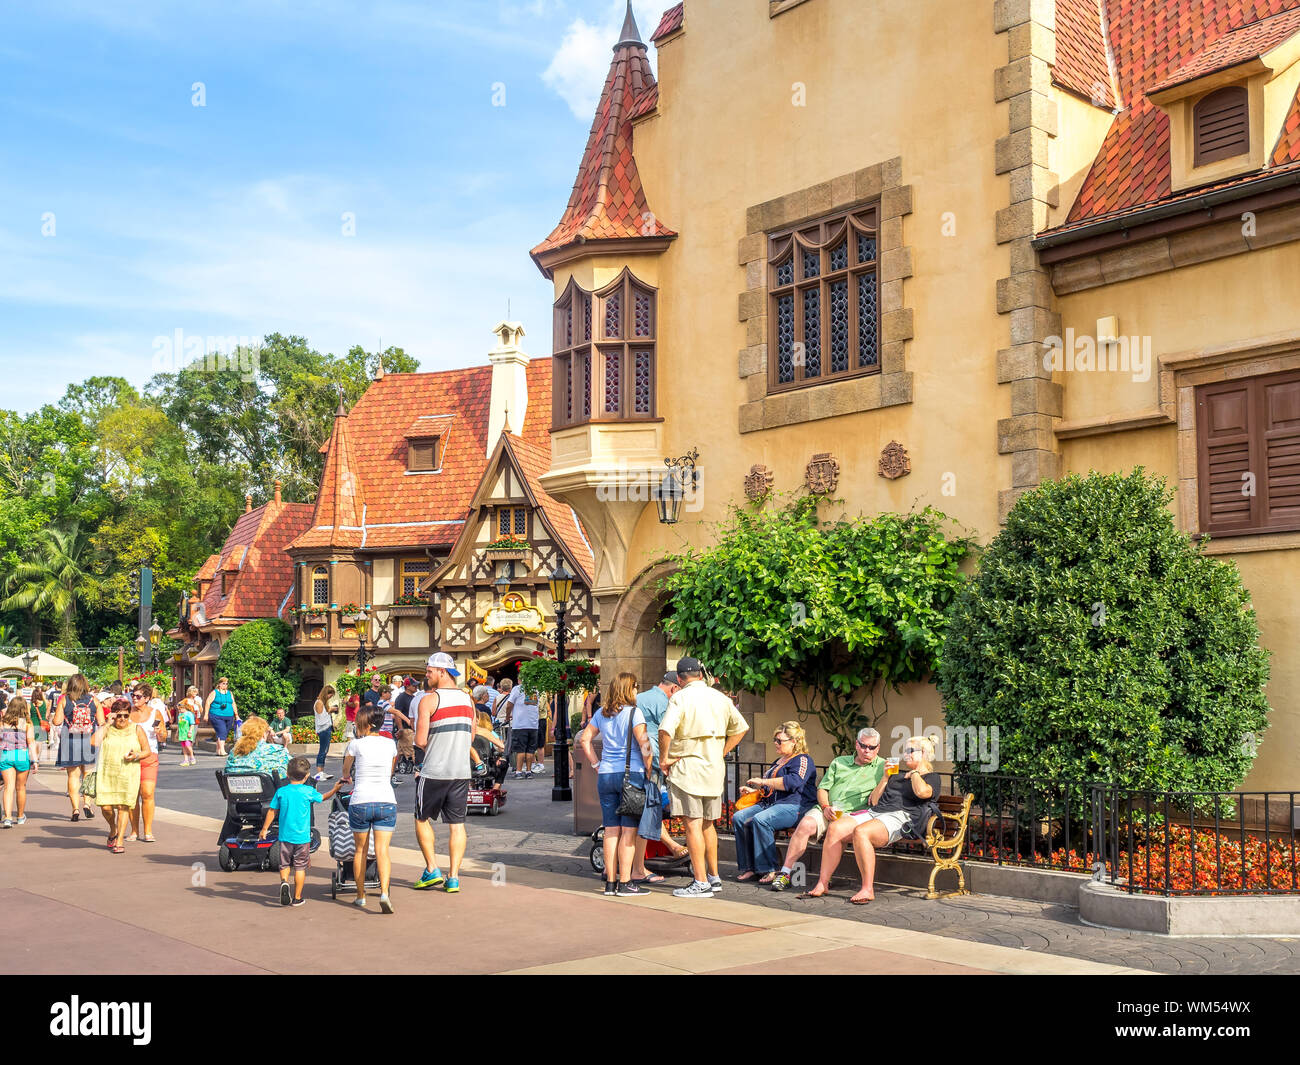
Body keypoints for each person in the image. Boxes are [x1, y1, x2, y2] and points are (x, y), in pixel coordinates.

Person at [802, 736, 939, 905]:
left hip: (901, 818)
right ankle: (822, 883)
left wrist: (916, 772)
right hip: (876, 812)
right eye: (905, 751)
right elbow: (874, 801)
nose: (905, 754)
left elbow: (922, 793)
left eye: (910, 751)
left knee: (861, 832)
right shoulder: (897, 776)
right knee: (835, 828)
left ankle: (867, 888)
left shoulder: (932, 777)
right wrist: (885, 778)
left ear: (924, 753)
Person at [658, 657, 748, 899]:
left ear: (679, 679)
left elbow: (664, 729)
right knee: (709, 824)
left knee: (693, 825)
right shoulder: (720, 697)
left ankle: (700, 882)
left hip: (688, 768)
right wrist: (723, 750)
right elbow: (741, 729)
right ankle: (714, 877)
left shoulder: (680, 697)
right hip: (713, 768)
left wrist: (664, 758)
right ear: (701, 674)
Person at [771, 727, 885, 891]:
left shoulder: (883, 767)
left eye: (872, 747)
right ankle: (785, 873)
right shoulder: (839, 762)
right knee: (806, 825)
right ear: (857, 744)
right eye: (863, 746)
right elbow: (823, 789)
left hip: (855, 814)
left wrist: (886, 778)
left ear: (878, 748)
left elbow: (881, 798)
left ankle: (824, 881)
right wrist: (825, 807)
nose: (867, 750)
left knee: (835, 829)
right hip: (828, 808)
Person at [577, 672, 654, 897]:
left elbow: (584, 739)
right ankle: (626, 882)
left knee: (610, 830)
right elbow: (644, 743)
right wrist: (650, 768)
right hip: (631, 776)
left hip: (606, 775)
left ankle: (610, 883)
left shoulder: (601, 713)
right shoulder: (634, 713)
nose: (636, 691)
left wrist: (596, 764)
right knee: (628, 832)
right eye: (635, 687)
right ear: (628, 689)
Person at [412, 652, 475, 894]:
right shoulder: (467, 699)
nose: (426, 675)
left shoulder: (429, 700)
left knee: (421, 818)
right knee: (457, 825)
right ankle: (454, 877)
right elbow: (470, 736)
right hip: (461, 770)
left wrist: (437, 745)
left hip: (434, 770)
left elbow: (419, 740)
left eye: (429, 671)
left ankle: (432, 869)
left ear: (442, 672)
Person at [732, 722, 817, 883]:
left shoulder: (803, 760)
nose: (776, 743)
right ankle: (749, 867)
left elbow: (794, 782)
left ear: (794, 741)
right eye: (775, 740)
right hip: (770, 804)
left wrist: (763, 782)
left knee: (762, 819)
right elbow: (771, 788)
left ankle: (769, 869)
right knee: (739, 818)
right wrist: (754, 791)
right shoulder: (779, 761)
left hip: (795, 805)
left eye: (780, 740)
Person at [260, 756, 341, 906]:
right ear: (307, 776)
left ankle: (284, 882)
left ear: (288, 775)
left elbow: (272, 810)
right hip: (302, 837)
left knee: (284, 864)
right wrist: (335, 788)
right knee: (300, 867)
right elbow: (322, 797)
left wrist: (265, 829)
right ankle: (297, 897)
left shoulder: (281, 791)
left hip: (284, 836)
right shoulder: (308, 791)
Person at [630, 672, 687, 881]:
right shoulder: (665, 704)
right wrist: (662, 763)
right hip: (649, 766)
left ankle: (670, 848)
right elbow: (663, 736)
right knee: (648, 814)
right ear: (674, 689)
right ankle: (640, 868)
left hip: (628, 768)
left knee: (634, 818)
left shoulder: (640, 698)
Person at [341, 706, 399, 912]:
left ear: (365, 724)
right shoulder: (390, 744)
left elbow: (346, 771)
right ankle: (384, 892)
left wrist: (346, 777)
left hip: (361, 801)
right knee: (383, 851)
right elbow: (390, 771)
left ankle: (360, 896)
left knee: (360, 851)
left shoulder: (355, 745)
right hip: (386, 800)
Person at [90, 698, 149, 853]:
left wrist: (136, 755)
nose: (122, 719)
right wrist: (107, 723)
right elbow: (94, 742)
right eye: (119, 715)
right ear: (113, 715)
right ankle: (113, 829)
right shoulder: (108, 729)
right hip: (107, 774)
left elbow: (146, 751)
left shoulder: (137, 729)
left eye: (125, 715)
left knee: (123, 806)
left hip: (128, 774)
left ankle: (120, 839)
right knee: (105, 807)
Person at [52, 673, 102, 821]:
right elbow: (101, 722)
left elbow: (56, 722)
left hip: (70, 741)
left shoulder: (64, 700)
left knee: (73, 776)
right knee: (88, 775)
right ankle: (87, 804)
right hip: (89, 740)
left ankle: (75, 809)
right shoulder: (94, 700)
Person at [126, 685, 169, 843]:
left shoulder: (154, 714)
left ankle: (148, 831)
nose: (134, 698)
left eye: (138, 696)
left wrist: (160, 733)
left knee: (147, 793)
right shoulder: (127, 712)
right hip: (130, 758)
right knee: (133, 796)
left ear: (147, 698)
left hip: (149, 757)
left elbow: (163, 737)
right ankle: (134, 830)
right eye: (133, 695)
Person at [1, 696, 37, 827]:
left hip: (6, 755)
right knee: (21, 788)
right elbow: (31, 742)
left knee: (8, 788)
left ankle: (8, 817)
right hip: (21, 755)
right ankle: (20, 816)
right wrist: (35, 760)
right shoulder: (27, 723)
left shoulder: (2, 722)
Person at [225, 716, 291, 777]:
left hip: (236, 788)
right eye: (267, 732)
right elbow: (294, 767)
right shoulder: (276, 750)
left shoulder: (234, 752)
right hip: (270, 788)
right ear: (263, 734)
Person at [503, 681, 542, 779]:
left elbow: (509, 704)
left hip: (520, 724)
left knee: (520, 750)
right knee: (530, 750)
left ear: (520, 679)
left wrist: (507, 716)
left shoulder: (517, 689)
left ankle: (519, 771)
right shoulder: (535, 689)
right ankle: (528, 771)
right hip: (533, 724)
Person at [204, 677, 239, 757]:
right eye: (223, 683)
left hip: (229, 716)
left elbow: (233, 703)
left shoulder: (229, 693)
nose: (225, 685)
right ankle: (222, 751)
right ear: (219, 684)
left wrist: (236, 715)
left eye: (226, 683)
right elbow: (208, 702)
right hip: (216, 715)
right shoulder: (215, 692)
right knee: (222, 731)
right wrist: (206, 714)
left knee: (223, 733)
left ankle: (218, 750)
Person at [311, 685, 337, 782]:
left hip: (326, 729)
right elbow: (321, 719)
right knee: (322, 751)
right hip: (324, 729)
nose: (330, 697)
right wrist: (330, 711)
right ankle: (319, 773)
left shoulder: (322, 703)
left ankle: (321, 772)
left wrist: (329, 710)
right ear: (326, 693)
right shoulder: (319, 703)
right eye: (330, 694)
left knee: (324, 751)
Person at [177, 697, 198, 765]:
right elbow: (179, 725)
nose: (179, 710)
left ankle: (192, 757)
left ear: (184, 707)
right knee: (183, 746)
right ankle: (186, 760)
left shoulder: (189, 714)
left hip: (187, 732)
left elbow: (192, 724)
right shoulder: (180, 715)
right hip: (182, 732)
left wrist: (190, 731)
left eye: (180, 709)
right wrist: (177, 732)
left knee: (188, 745)